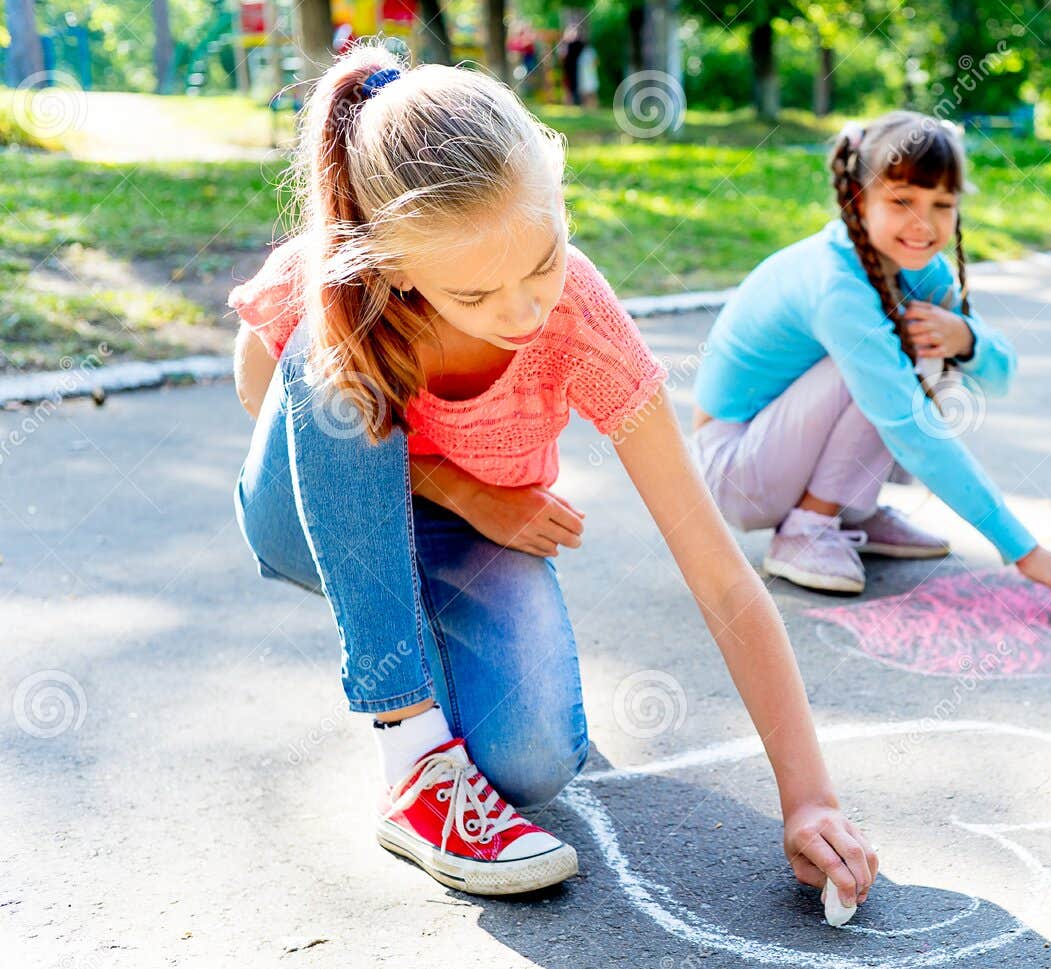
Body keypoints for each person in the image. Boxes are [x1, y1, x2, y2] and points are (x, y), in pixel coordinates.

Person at [227, 42, 878, 908]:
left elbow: (721, 576)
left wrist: (810, 799)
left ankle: (420, 653)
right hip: (312, 524)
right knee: (327, 344)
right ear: (397, 265)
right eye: (476, 296)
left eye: (542, 260)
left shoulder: (577, 315)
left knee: (531, 766)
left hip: (462, 546)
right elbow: (257, 389)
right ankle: (411, 747)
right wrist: (457, 487)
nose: (525, 310)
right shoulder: (347, 276)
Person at [688, 111, 1051, 614]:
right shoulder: (836, 285)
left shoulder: (913, 265)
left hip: (777, 446)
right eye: (902, 200)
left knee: (924, 342)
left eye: (942, 204)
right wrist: (1025, 552)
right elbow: (910, 427)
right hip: (738, 470)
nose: (923, 223)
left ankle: (849, 512)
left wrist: (966, 338)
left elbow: (1002, 375)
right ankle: (807, 528)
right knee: (884, 363)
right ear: (858, 200)